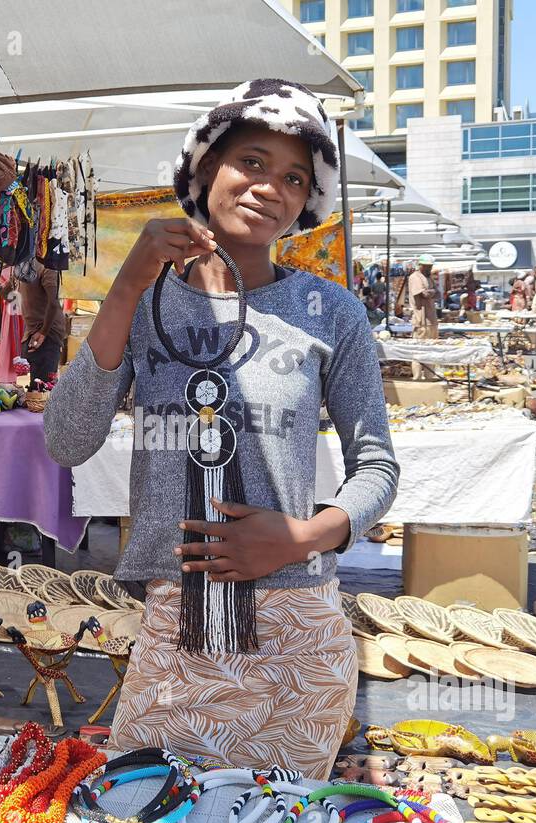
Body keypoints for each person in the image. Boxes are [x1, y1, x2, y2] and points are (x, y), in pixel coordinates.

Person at [43, 78, 399, 780]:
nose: (272, 187)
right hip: (177, 620)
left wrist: (302, 535)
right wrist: (126, 287)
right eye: (253, 162)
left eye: (295, 176)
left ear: (307, 201)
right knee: (142, 821)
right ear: (205, 170)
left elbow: (378, 468)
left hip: (297, 622)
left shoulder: (330, 312)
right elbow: (67, 440)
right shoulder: (145, 305)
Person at [18, 259, 68, 383]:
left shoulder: (48, 266)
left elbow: (53, 303)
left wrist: (43, 333)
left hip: (46, 334)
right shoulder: (26, 264)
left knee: (42, 388)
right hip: (35, 333)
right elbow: (9, 294)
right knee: (38, 386)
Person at [407, 254, 439, 339]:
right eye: (427, 266)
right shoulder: (415, 277)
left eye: (430, 266)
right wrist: (432, 292)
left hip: (432, 319)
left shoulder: (429, 277)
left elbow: (438, 294)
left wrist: (431, 292)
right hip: (421, 321)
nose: (429, 268)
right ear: (420, 266)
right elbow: (424, 294)